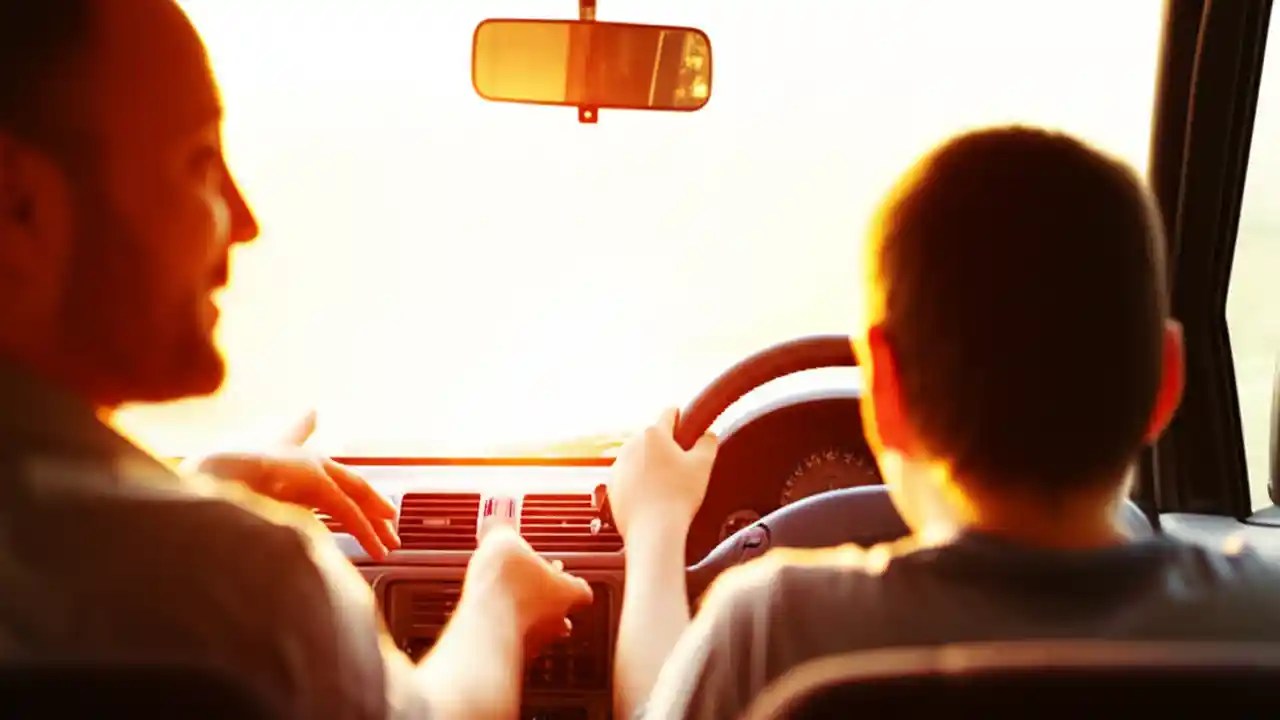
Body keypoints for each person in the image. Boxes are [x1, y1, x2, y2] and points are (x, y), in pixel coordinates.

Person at [0, 1, 592, 718]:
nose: (243, 220)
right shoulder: (245, 589)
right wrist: (499, 596)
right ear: (20, 207)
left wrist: (194, 485)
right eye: (198, 162)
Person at [606, 126, 1280, 719]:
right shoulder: (1263, 621)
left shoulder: (774, 630)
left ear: (884, 389)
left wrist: (658, 527)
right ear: (1166, 384)